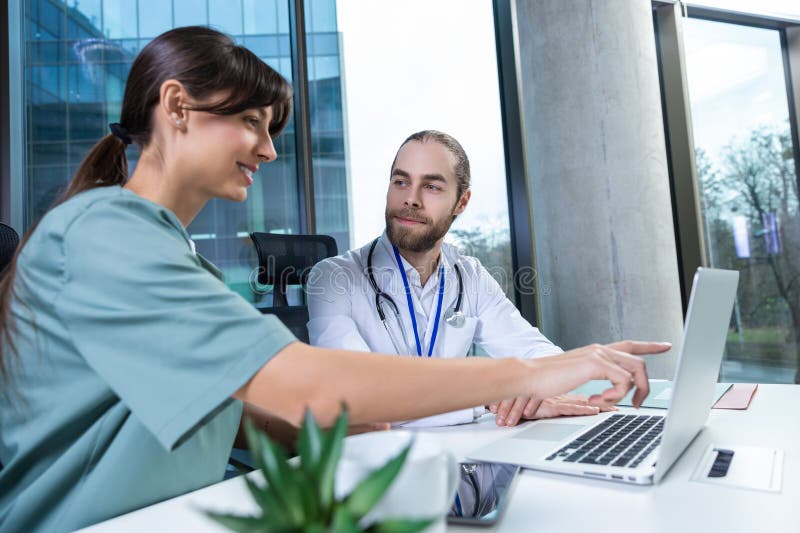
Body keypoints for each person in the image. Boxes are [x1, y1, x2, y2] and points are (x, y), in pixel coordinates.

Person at [0, 26, 669, 533]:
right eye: (252, 123)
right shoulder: (103, 231)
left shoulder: (173, 258)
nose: (268, 148)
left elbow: (225, 419)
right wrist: (529, 376)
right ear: (176, 107)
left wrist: (362, 433)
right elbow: (311, 384)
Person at [307, 131, 612, 428]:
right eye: (401, 182)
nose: (410, 199)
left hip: (459, 453)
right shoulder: (333, 279)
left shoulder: (470, 276)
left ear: (461, 202)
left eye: (432, 187)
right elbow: (355, 394)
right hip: (377, 464)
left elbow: (540, 356)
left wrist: (530, 392)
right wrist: (492, 397)